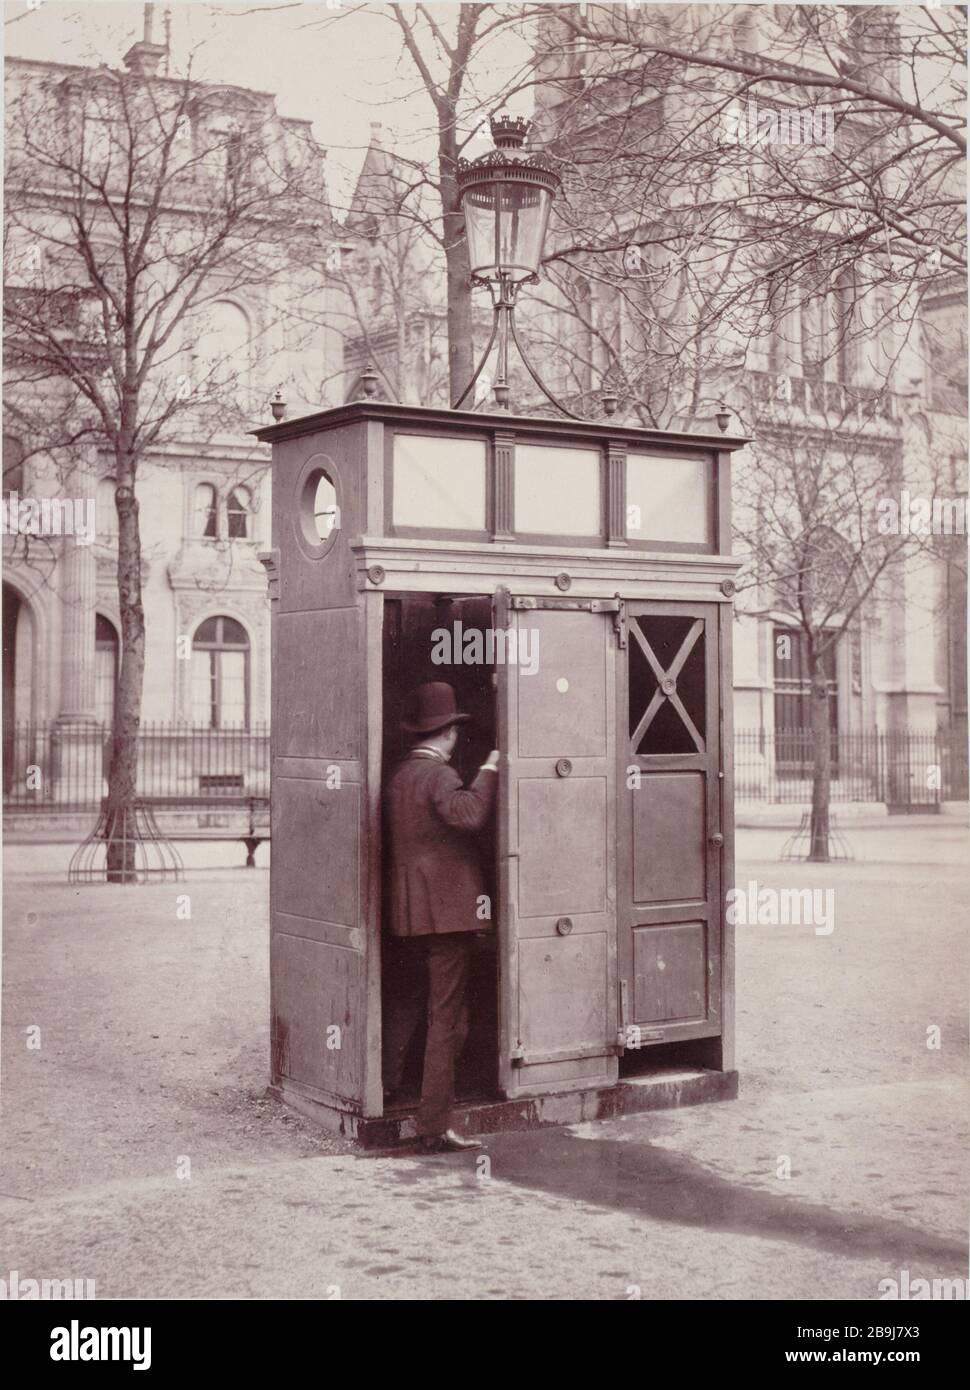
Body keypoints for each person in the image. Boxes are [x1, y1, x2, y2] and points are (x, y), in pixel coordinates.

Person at [383, 681, 498, 1153]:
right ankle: (434, 1125)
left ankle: (387, 1084)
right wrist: (490, 770)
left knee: (409, 1003)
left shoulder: (400, 776)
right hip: (447, 917)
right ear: (449, 733)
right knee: (446, 1016)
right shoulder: (441, 776)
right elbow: (469, 815)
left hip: (409, 913)